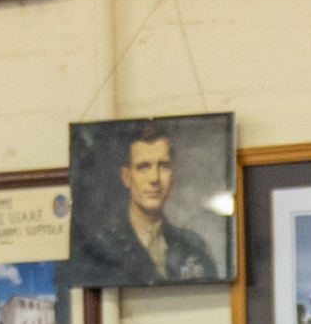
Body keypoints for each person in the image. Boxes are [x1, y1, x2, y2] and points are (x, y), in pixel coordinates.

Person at [80, 121, 219, 285]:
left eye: (163, 166)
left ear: (172, 175)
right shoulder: (101, 250)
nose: (154, 178)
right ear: (126, 177)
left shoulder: (195, 249)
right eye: (143, 167)